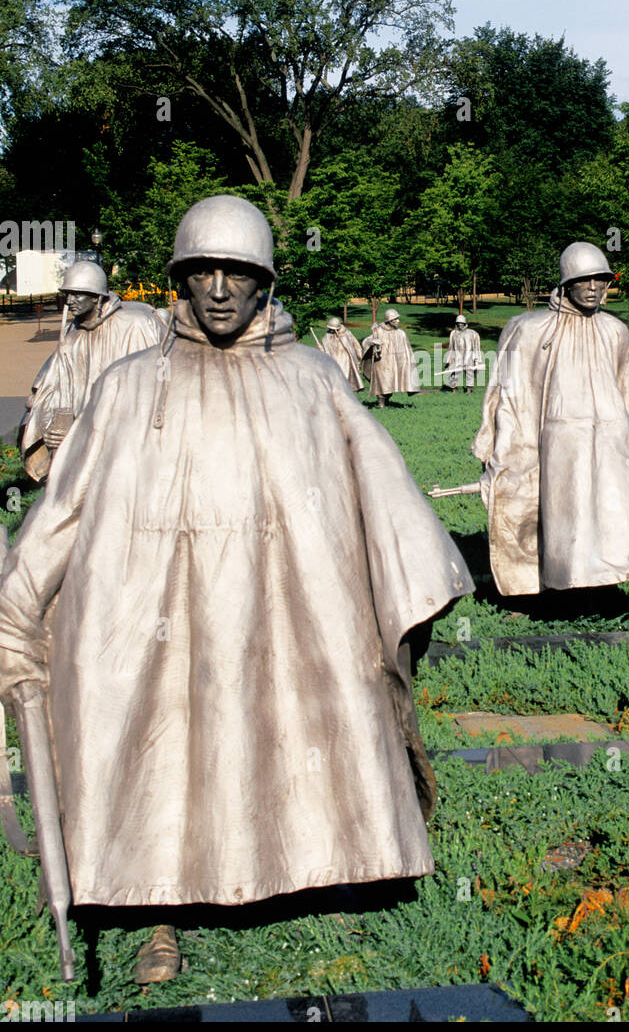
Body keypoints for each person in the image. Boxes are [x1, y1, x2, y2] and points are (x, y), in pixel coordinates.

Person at [0, 196, 473, 985]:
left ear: (264, 282)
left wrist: (407, 583)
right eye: (203, 272)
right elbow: (64, 510)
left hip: (285, 608)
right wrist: (16, 612)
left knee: (293, 729)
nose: (219, 290)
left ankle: (322, 861)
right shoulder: (127, 386)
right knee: (162, 746)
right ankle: (158, 907)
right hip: (156, 611)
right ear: (181, 279)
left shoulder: (311, 379)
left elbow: (379, 496)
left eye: (238, 273)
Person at [471, 242, 629, 596]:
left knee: (612, 508)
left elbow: (627, 390)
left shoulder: (613, 330)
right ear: (566, 283)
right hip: (559, 437)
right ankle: (560, 584)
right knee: (563, 513)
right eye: (585, 280)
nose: (594, 288)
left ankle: (611, 578)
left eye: (601, 280)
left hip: (611, 437)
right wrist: (500, 445)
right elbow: (509, 393)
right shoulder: (530, 329)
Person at [19, 262, 164, 482]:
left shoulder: (135, 325)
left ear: (96, 297)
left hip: (126, 440)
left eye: (78, 295)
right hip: (81, 442)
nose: (70, 301)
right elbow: (51, 386)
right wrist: (49, 424)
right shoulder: (72, 333)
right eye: (68, 294)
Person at [361, 309, 420, 408]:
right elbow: (365, 342)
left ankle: (386, 401)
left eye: (398, 319)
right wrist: (372, 341)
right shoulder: (378, 331)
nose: (398, 321)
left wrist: (407, 363)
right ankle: (381, 404)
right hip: (381, 362)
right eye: (395, 319)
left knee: (390, 383)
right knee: (382, 383)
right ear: (389, 321)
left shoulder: (401, 333)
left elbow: (407, 350)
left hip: (394, 363)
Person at [320, 316, 364, 391]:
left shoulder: (346, 334)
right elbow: (325, 346)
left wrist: (358, 357)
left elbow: (355, 345)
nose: (331, 330)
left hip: (345, 358)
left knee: (344, 376)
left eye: (333, 329)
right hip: (334, 359)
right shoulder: (328, 335)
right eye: (330, 329)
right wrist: (321, 348)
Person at [443, 315, 485, 394]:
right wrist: (449, 359)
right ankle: (454, 389)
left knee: (469, 372)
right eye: (458, 323)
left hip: (468, 356)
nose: (460, 325)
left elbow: (476, 347)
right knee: (454, 372)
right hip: (457, 356)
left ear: (465, 323)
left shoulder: (472, 333)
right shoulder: (453, 333)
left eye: (462, 323)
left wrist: (476, 359)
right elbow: (451, 347)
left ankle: (469, 390)